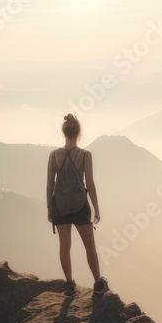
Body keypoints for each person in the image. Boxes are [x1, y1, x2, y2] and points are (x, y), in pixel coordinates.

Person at [46, 113, 109, 294]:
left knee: (64, 246)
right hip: (80, 204)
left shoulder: (54, 155)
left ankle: (70, 284)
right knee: (89, 246)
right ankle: (98, 284)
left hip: (60, 205)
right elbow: (89, 183)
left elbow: (50, 184)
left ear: (63, 133)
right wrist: (96, 208)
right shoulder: (85, 155)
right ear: (79, 133)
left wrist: (50, 207)